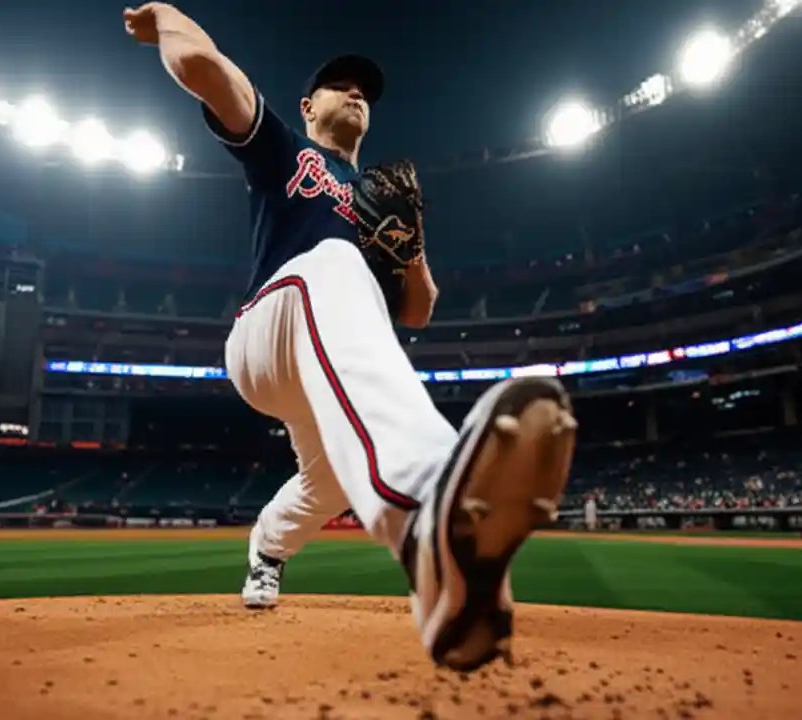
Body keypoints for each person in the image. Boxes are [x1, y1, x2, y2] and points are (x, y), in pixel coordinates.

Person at [123, 2, 577, 671]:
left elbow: (419, 311)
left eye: (364, 89)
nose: (357, 91)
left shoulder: (380, 200)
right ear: (308, 106)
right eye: (341, 84)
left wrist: (412, 249)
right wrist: (165, 16)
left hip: (325, 360)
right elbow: (201, 66)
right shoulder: (288, 147)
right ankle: (430, 502)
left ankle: (266, 552)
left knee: (331, 480)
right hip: (266, 334)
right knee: (336, 263)